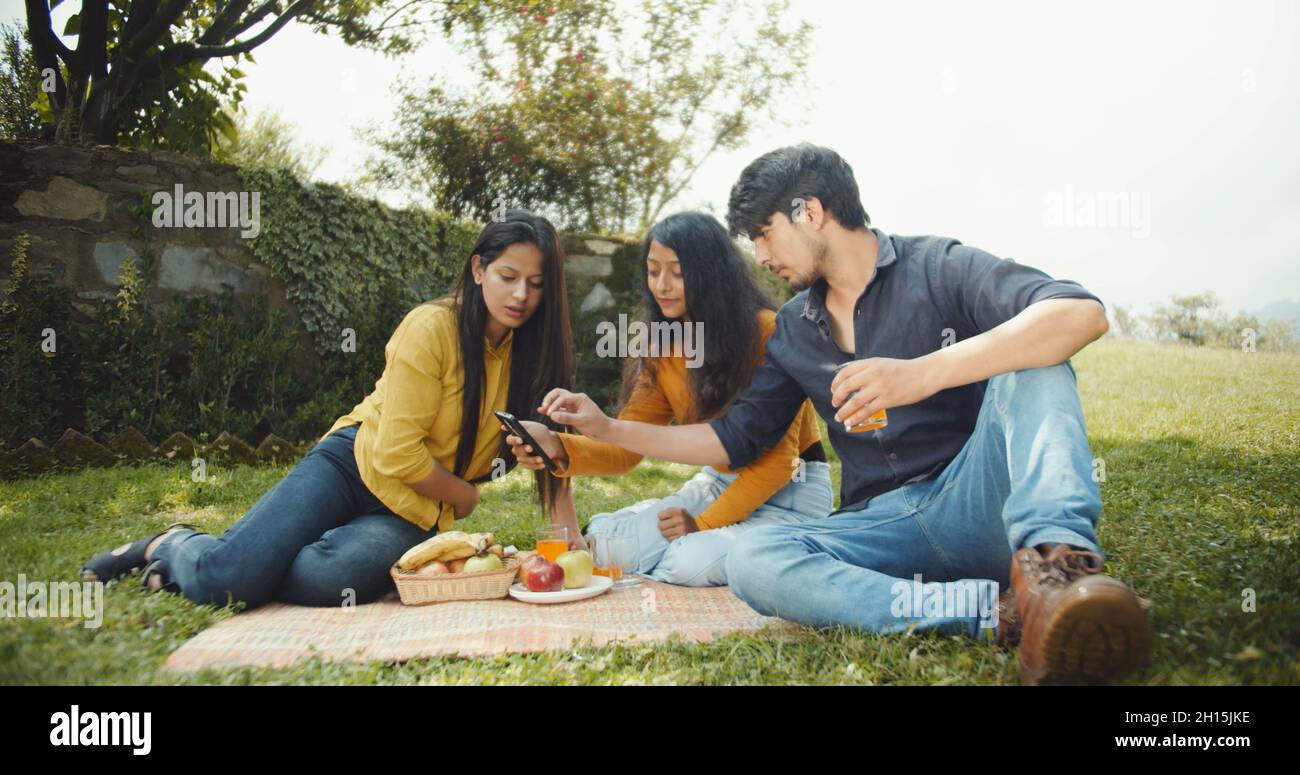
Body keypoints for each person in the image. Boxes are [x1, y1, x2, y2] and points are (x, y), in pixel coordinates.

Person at [532, 145, 1153, 684]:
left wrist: (920, 373)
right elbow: (734, 439)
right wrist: (607, 430)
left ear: (810, 211)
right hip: (878, 527)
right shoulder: (794, 332)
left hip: (975, 502)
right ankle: (995, 612)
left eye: (764, 232)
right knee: (753, 561)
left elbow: (1081, 314)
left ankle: (1058, 571)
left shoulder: (939, 266)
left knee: (1035, 356)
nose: (760, 254)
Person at [81, 210, 581, 609]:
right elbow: (397, 456)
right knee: (226, 583)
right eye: (508, 276)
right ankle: (172, 544)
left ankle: (252, 561)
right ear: (478, 269)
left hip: (412, 511)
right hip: (351, 465)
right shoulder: (431, 329)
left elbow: (554, 455)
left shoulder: (534, 355)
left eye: (535, 284)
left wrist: (571, 538)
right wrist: (464, 497)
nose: (521, 295)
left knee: (327, 580)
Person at [504, 212, 832, 587]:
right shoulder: (660, 344)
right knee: (614, 553)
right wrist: (557, 445)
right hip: (719, 481)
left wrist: (702, 525)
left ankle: (802, 541)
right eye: (653, 270)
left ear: (711, 274)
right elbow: (625, 449)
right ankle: (639, 528)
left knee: (685, 564)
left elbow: (777, 466)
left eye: (677, 272)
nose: (662, 285)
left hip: (792, 491)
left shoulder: (765, 330)